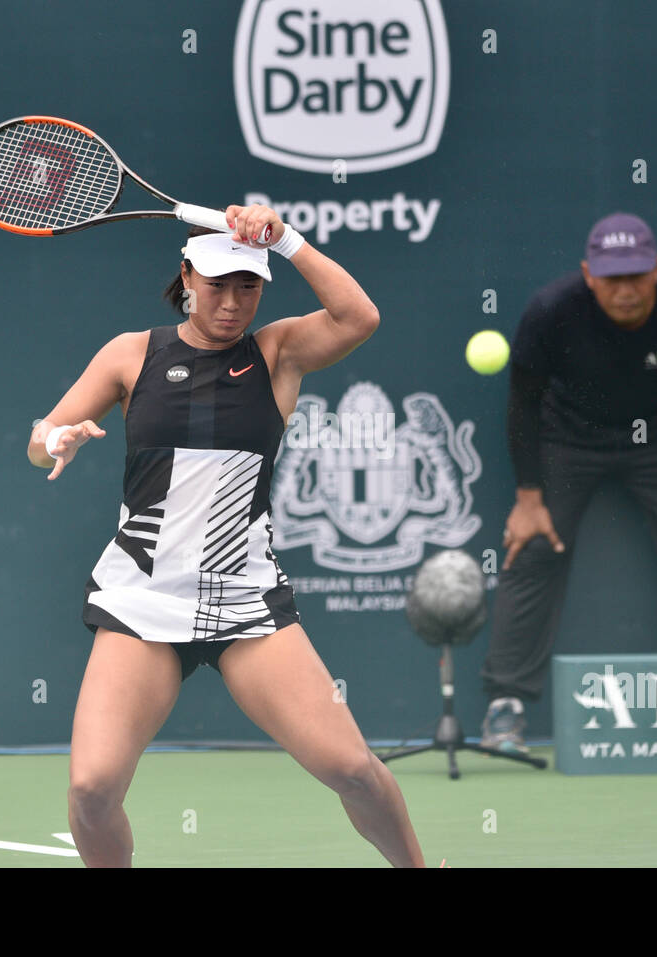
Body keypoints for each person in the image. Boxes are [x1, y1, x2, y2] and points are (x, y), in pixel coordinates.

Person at [28, 205, 425, 867]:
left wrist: (289, 239)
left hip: (245, 603)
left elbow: (360, 317)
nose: (233, 301)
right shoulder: (131, 355)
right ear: (186, 276)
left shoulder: (278, 352)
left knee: (352, 768)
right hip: (143, 602)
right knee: (92, 788)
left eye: (249, 285)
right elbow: (42, 440)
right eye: (217, 284)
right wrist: (55, 438)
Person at [479, 212, 657, 753]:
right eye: (612, 278)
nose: (625, 290)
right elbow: (524, 405)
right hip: (570, 438)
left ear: (656, 270)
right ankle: (506, 706)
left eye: (636, 275)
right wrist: (528, 498)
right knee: (533, 546)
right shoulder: (550, 311)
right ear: (589, 274)